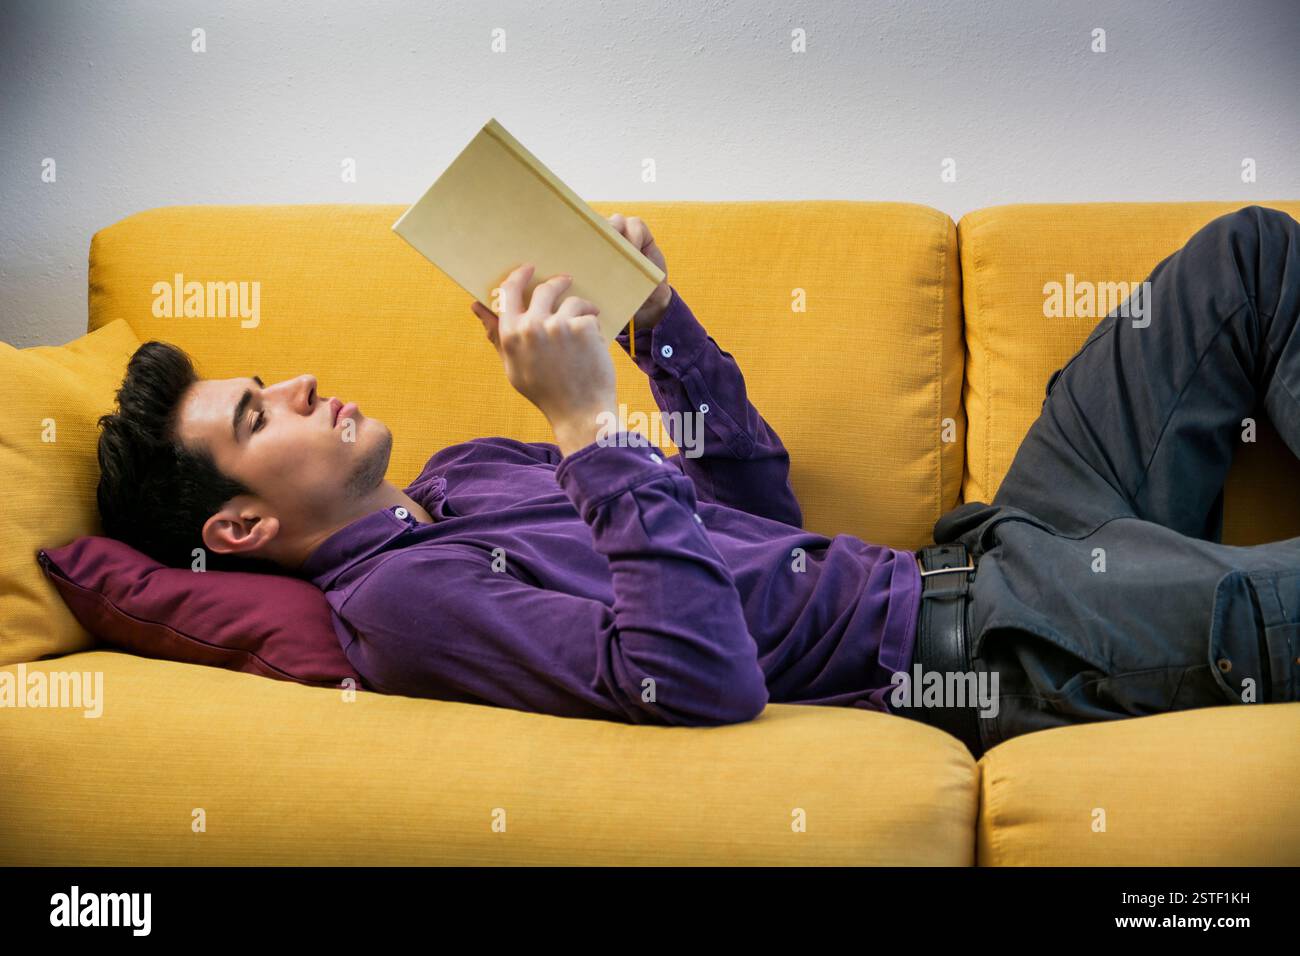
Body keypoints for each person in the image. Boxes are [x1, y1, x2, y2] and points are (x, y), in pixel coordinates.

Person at [94, 207, 1300, 756]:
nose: (300, 381)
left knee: (1245, 261)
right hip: (997, 638)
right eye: (258, 412)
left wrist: (658, 328)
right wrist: (579, 418)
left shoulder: (462, 473)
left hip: (992, 542)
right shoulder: (400, 608)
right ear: (239, 522)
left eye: (270, 377)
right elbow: (695, 677)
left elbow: (752, 523)